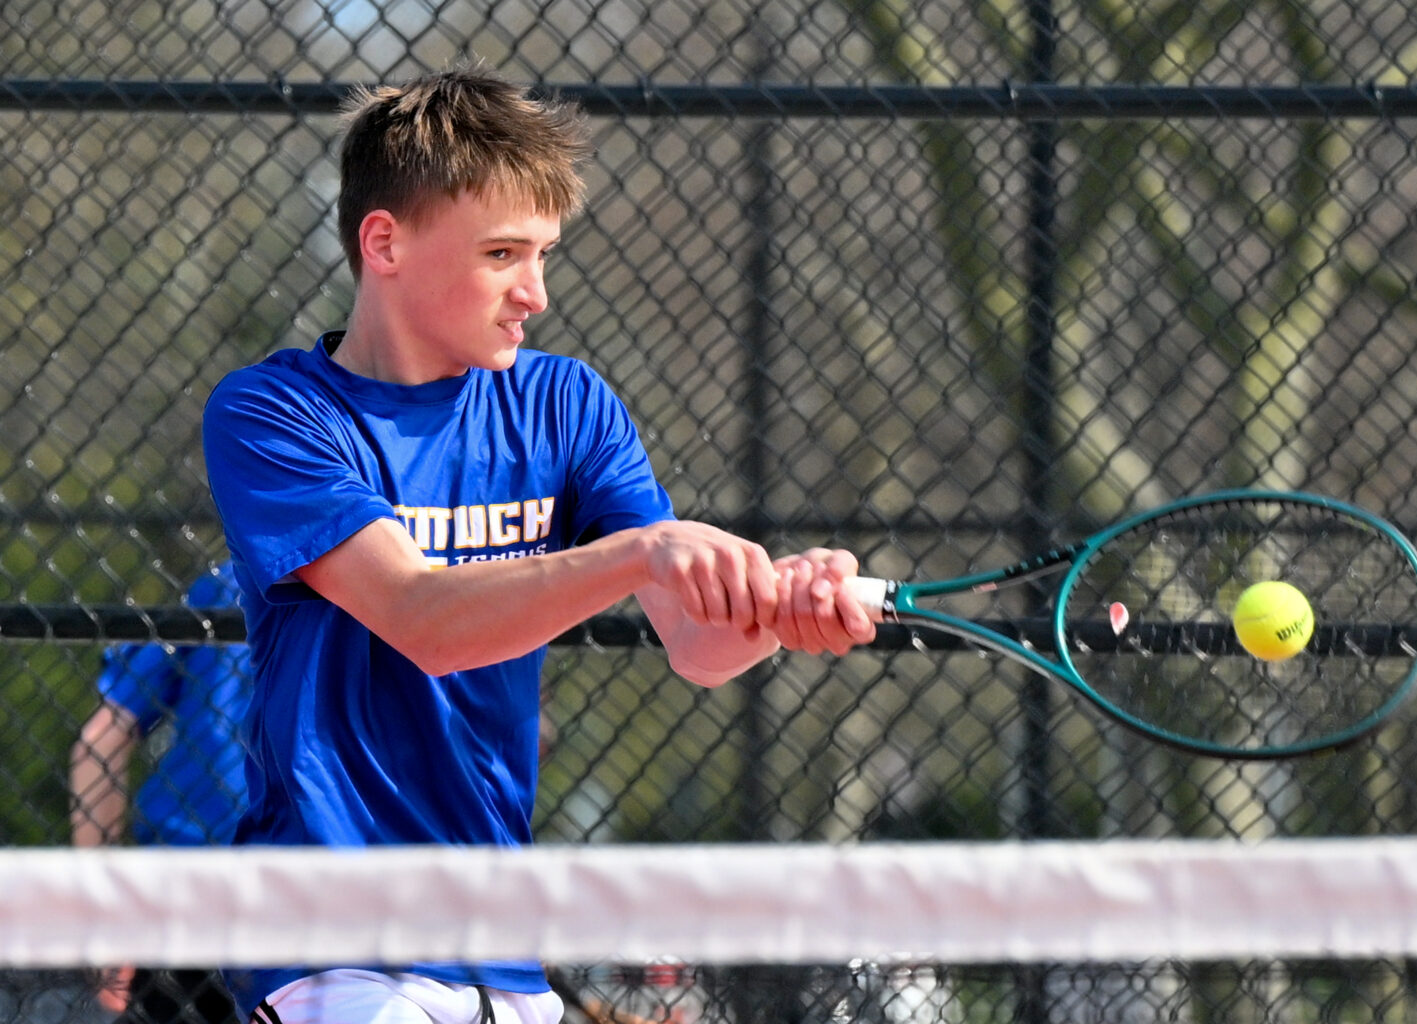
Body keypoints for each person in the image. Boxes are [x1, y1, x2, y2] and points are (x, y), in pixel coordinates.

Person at [200, 65, 876, 1024]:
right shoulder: (274, 414)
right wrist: (640, 553)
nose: (536, 292)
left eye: (544, 253)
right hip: (331, 945)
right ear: (384, 243)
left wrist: (775, 609)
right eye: (502, 254)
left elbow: (699, 647)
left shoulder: (568, 405)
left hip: (503, 957)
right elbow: (424, 619)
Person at [69, 562, 252, 1024]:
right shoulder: (382, 582)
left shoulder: (226, 582)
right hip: (317, 879)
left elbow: (101, 740)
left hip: (185, 883)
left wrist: (100, 915)